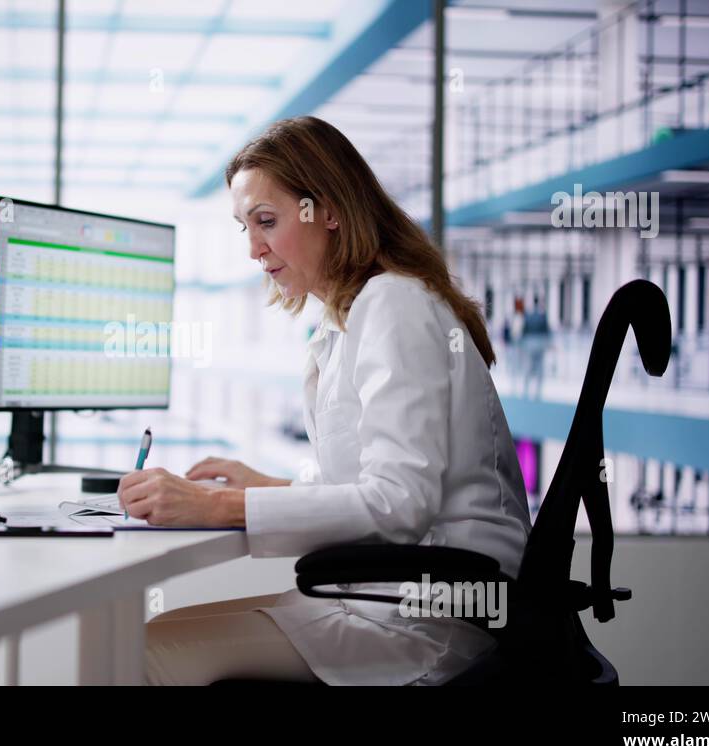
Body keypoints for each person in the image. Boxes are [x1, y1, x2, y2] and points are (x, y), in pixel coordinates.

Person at [117, 116, 532, 686]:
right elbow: (364, 478)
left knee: (143, 649)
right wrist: (259, 485)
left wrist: (215, 507)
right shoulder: (351, 317)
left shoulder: (393, 305)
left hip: (427, 618)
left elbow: (398, 502)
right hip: (386, 598)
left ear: (329, 210)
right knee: (142, 636)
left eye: (266, 221)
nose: (254, 249)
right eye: (245, 227)